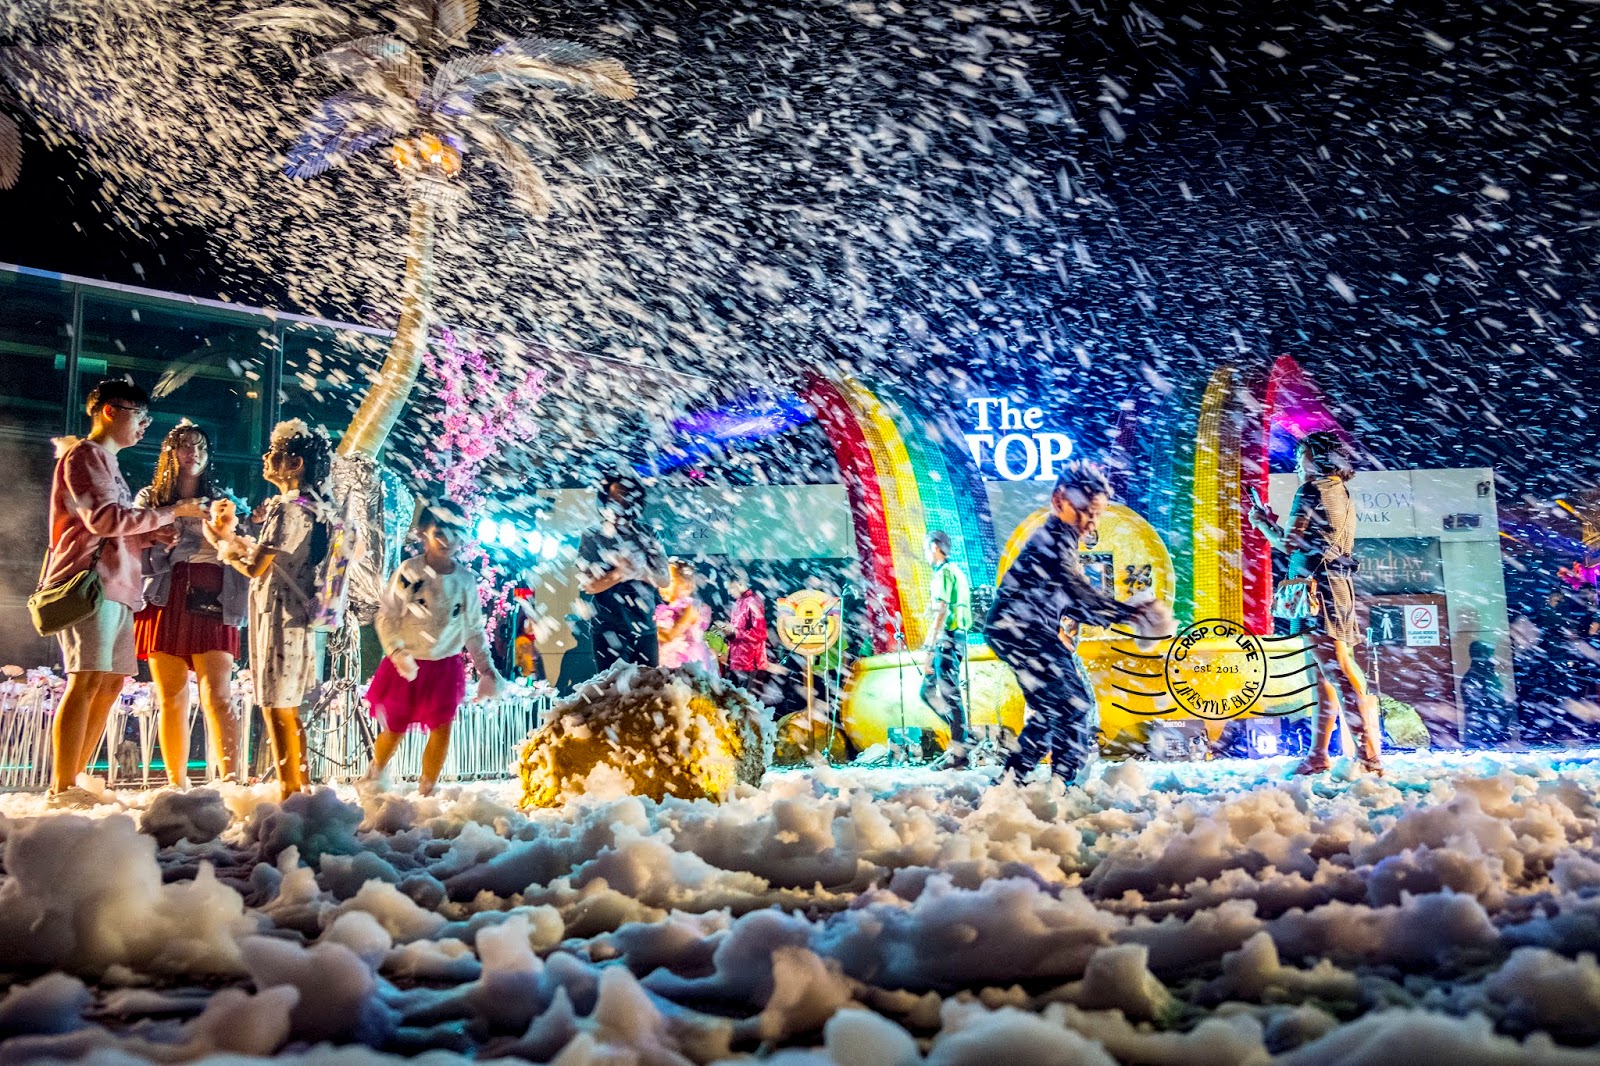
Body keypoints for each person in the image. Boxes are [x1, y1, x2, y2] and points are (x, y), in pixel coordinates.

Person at [41, 380, 203, 806]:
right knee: (86, 679)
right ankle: (63, 784)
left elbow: (112, 528)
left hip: (116, 585)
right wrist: (172, 512)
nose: (145, 425)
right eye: (140, 415)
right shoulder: (87, 455)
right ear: (110, 411)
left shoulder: (105, 460)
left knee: (110, 681)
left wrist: (150, 537)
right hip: (89, 583)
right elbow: (105, 520)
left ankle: (76, 777)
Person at [985, 460, 1165, 786]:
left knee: (1050, 710)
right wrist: (1131, 614)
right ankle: (1061, 787)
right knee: (1074, 705)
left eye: (1095, 514)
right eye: (1084, 511)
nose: (1089, 522)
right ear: (1059, 501)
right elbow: (1077, 591)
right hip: (1022, 630)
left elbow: (1072, 601)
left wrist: (1122, 616)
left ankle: (1014, 783)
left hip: (1016, 629)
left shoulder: (1059, 540)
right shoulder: (1054, 540)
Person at [1250, 431, 1383, 777]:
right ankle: (1319, 755)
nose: (1296, 464)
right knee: (1324, 674)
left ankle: (1368, 758)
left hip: (1316, 591)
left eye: (1302, 457)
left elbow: (1288, 544)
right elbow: (1310, 538)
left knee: (1335, 671)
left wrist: (1262, 524)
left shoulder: (1311, 489)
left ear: (1321, 458)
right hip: (1336, 586)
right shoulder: (1340, 490)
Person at [216, 419, 333, 799]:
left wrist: (225, 545)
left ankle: (290, 795)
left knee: (275, 707)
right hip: (295, 616)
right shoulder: (312, 507)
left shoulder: (288, 509)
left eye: (274, 453)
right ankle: (300, 789)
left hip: (279, 615)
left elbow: (254, 567)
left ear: (294, 463)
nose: (266, 458)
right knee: (289, 708)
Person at [366, 501, 507, 795]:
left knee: (442, 728)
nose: (448, 540)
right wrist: (397, 652)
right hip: (406, 665)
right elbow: (387, 616)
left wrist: (486, 670)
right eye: (439, 531)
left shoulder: (464, 580)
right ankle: (374, 777)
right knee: (394, 728)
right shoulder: (410, 571)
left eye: (455, 531)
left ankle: (428, 789)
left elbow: (473, 628)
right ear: (422, 534)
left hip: (444, 666)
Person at [134, 421, 247, 787]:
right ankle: (175, 783)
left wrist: (228, 528)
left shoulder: (223, 498)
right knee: (170, 695)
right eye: (184, 446)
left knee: (218, 694)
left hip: (213, 590)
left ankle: (231, 778)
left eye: (200, 447)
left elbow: (240, 545)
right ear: (169, 453)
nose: (193, 453)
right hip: (165, 593)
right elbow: (130, 537)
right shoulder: (150, 498)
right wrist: (160, 529)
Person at [576, 474, 668, 673]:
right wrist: (619, 573)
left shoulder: (648, 533)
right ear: (605, 500)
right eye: (615, 497)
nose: (621, 502)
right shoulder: (593, 535)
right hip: (608, 628)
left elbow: (665, 579)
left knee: (648, 691)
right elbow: (588, 586)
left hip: (645, 628)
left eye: (626, 496)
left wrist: (640, 570)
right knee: (611, 692)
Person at [919, 531, 973, 768]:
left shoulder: (943, 574)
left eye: (925, 549)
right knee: (929, 691)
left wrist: (929, 649)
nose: (925, 555)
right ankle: (962, 738)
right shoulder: (957, 572)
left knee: (948, 695)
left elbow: (941, 612)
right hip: (956, 638)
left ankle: (960, 749)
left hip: (947, 639)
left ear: (934, 547)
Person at [656, 559, 718, 673]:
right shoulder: (664, 611)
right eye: (662, 579)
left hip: (687, 661)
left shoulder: (691, 609)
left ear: (686, 584)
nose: (664, 585)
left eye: (670, 580)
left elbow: (669, 636)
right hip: (669, 660)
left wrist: (654, 632)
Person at [722, 567, 770, 691]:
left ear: (740, 583)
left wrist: (735, 632)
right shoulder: (739, 602)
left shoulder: (753, 601)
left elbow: (760, 633)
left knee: (746, 703)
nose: (729, 592)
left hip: (749, 662)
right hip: (737, 660)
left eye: (731, 588)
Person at [1461, 640, 1515, 747]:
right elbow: (1482, 704)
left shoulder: (1482, 673)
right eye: (1490, 653)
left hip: (1487, 732)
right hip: (1486, 733)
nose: (1493, 657)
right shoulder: (1478, 675)